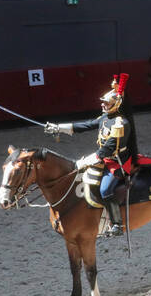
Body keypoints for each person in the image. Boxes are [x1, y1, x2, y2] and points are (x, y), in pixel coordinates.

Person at [44, 74, 138, 237]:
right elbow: (86, 125)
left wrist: (85, 161)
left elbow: (107, 149)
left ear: (116, 104)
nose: (102, 104)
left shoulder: (121, 124)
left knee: (105, 190)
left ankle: (116, 224)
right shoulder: (105, 118)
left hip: (116, 163)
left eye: (106, 102)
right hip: (104, 159)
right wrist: (59, 128)